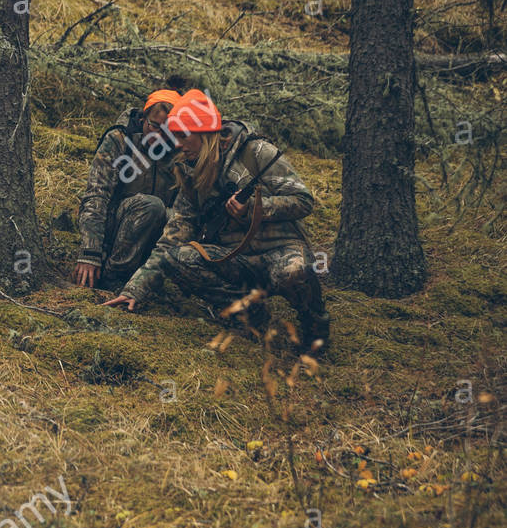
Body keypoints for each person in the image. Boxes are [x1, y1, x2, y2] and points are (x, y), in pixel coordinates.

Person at [102, 89, 330, 353]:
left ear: (206, 134)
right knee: (179, 258)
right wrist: (134, 290)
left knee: (293, 271)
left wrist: (257, 208)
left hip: (281, 251)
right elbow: (171, 239)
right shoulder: (190, 174)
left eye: (183, 135)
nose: (176, 144)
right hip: (235, 259)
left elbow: (303, 200)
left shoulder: (256, 152)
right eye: (174, 136)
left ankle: (315, 325)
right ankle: (249, 316)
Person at [73, 89, 183, 291]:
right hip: (114, 226)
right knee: (151, 205)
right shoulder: (120, 140)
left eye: (167, 131)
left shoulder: (181, 153)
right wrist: (90, 252)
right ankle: (113, 277)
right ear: (143, 118)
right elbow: (96, 195)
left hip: (155, 236)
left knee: (173, 215)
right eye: (154, 126)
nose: (159, 135)